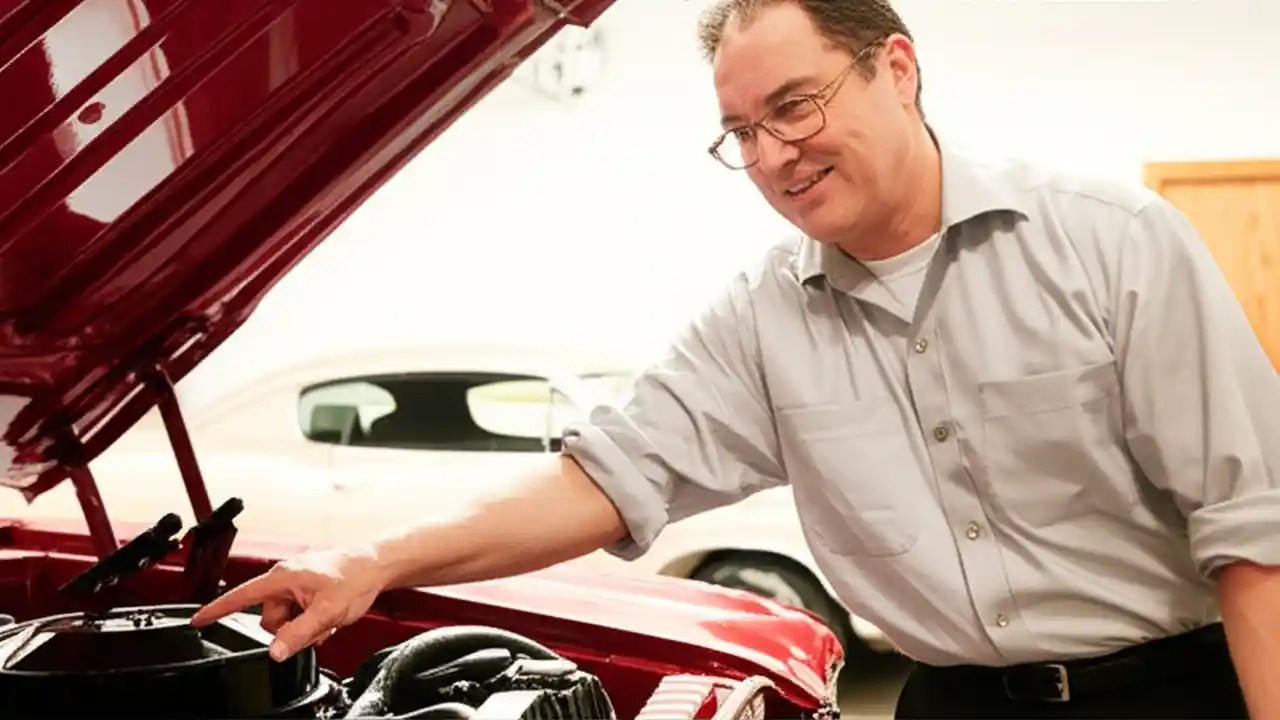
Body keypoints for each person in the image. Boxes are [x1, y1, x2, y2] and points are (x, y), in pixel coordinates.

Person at [191, 1, 1280, 717]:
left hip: (1166, 694)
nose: (772, 155)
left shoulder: (1109, 241)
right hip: (949, 704)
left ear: (897, 68)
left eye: (793, 107)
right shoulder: (763, 319)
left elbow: (1254, 532)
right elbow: (604, 478)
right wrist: (372, 561)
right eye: (741, 132)